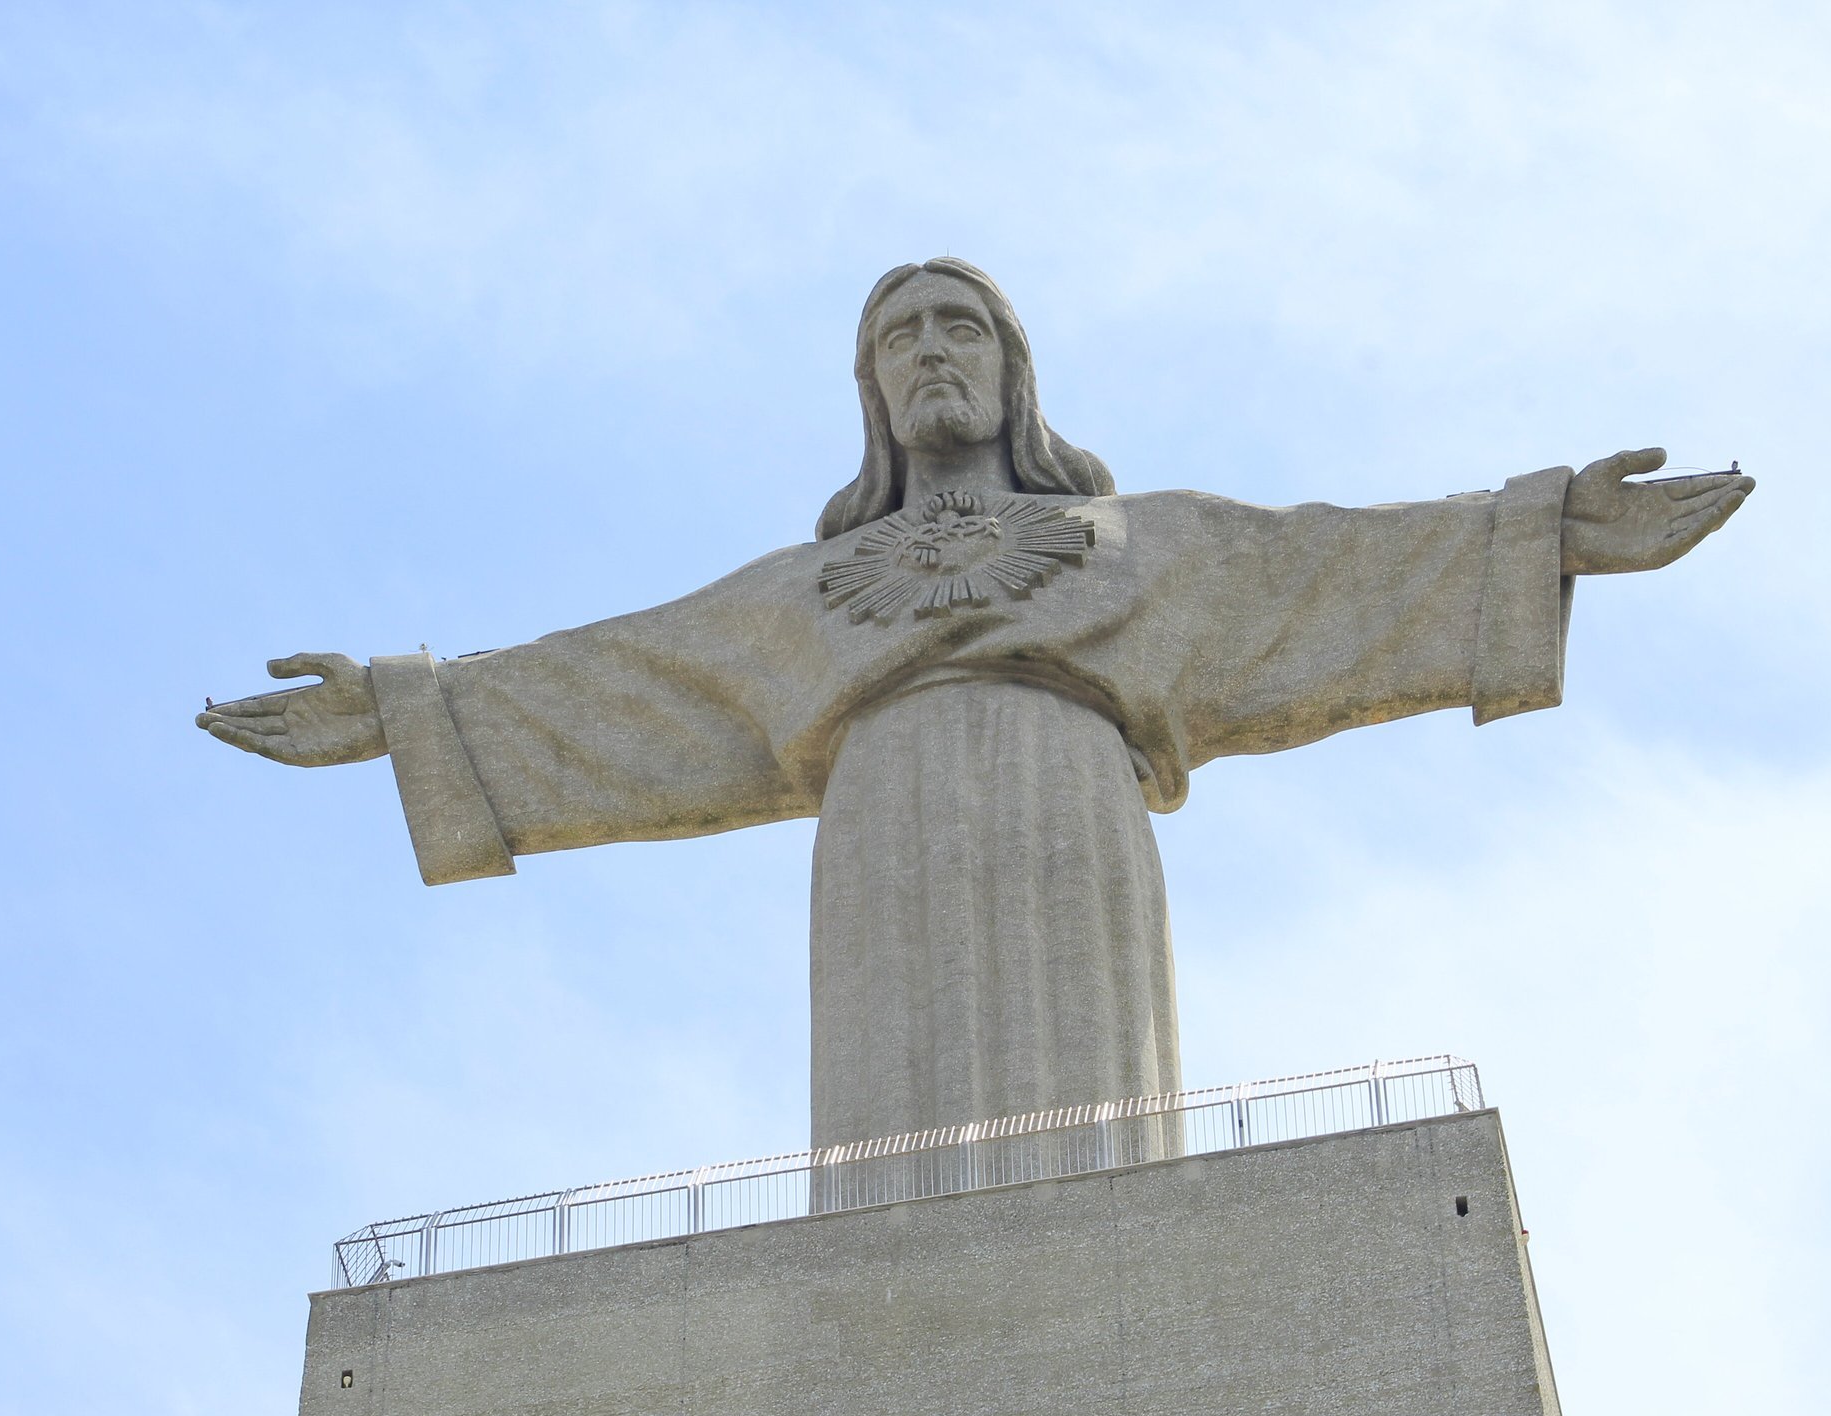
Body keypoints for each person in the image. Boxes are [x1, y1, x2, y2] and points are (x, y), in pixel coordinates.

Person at [198, 258, 1751, 1150]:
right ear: (869, 392)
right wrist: (408, 713)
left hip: (1076, 798)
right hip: (877, 824)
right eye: (899, 336)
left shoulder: (1156, 543)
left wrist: (1540, 533)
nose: (930, 352)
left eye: (961, 327)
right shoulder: (794, 598)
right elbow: (615, 679)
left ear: (1014, 370)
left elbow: (1331, 571)